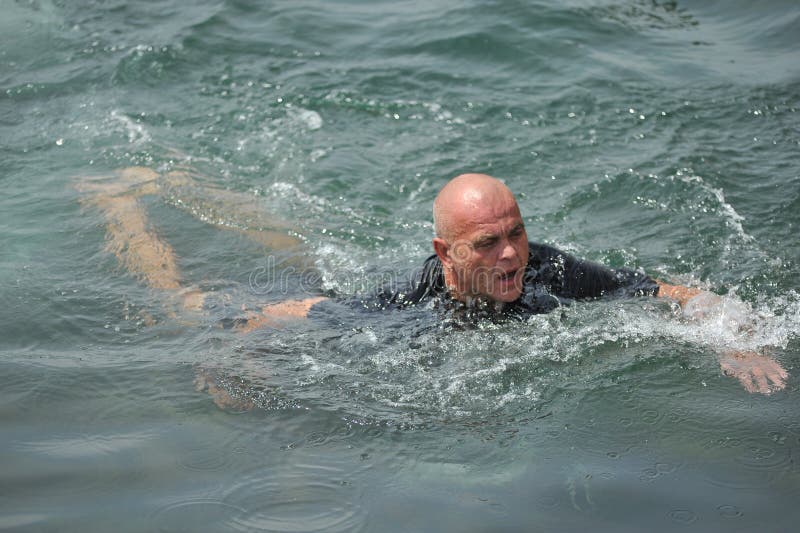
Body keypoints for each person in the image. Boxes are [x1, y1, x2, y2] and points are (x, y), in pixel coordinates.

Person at [77, 169, 788, 395]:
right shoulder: (405, 307)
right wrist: (227, 354)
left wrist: (730, 335)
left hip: (332, 281)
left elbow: (671, 290)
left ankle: (182, 180)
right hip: (336, 297)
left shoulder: (549, 266)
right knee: (180, 306)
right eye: (490, 243)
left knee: (302, 251)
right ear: (445, 253)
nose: (512, 254)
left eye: (517, 230)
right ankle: (123, 200)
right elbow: (295, 313)